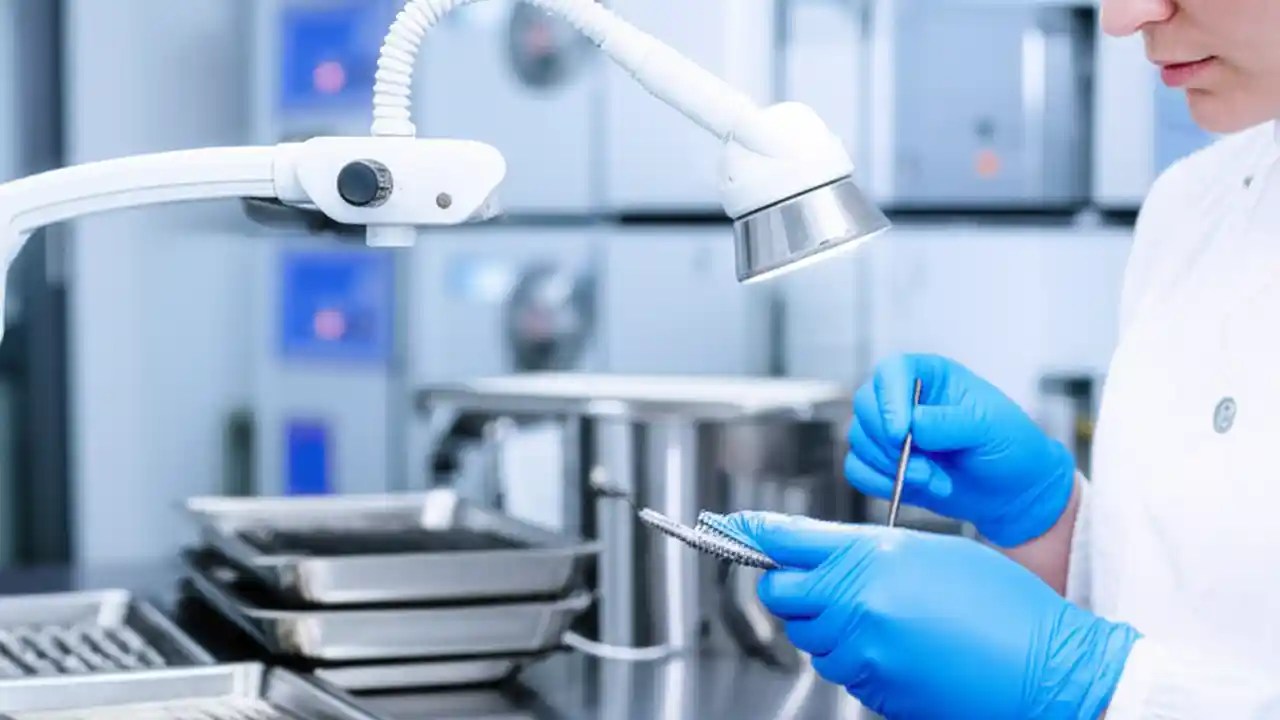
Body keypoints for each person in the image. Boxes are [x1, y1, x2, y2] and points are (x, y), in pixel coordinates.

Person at [721, 0, 1280, 717]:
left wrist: (1093, 692)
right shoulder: (1191, 206)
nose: (1120, 18)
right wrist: (1053, 526)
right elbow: (1197, 609)